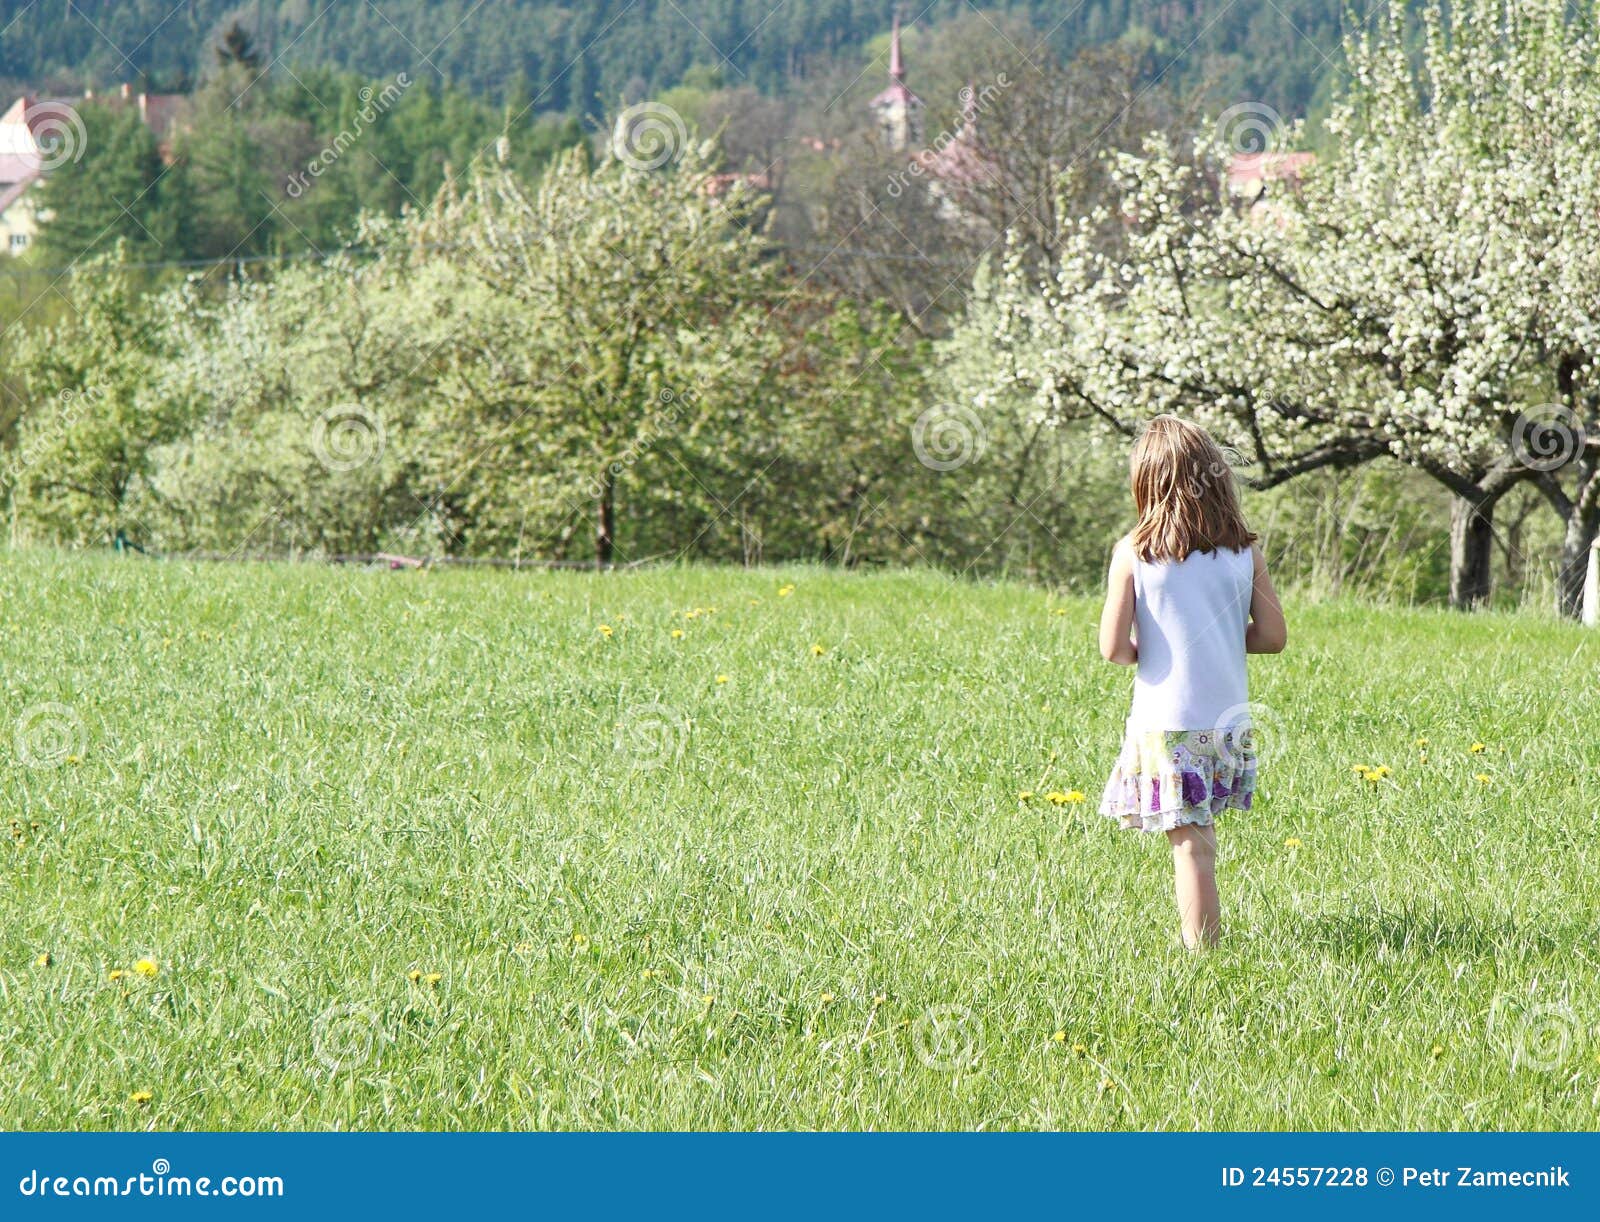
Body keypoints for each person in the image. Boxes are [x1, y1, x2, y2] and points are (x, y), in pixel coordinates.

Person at [1097, 415, 1287, 948]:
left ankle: (1203, 954)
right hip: (1226, 725)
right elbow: (1272, 637)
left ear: (1146, 482)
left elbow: (1113, 650)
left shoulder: (1134, 554)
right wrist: (1219, 639)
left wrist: (1158, 648)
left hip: (1168, 725)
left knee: (1190, 848)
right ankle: (1205, 944)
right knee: (1199, 841)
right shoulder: (1245, 552)